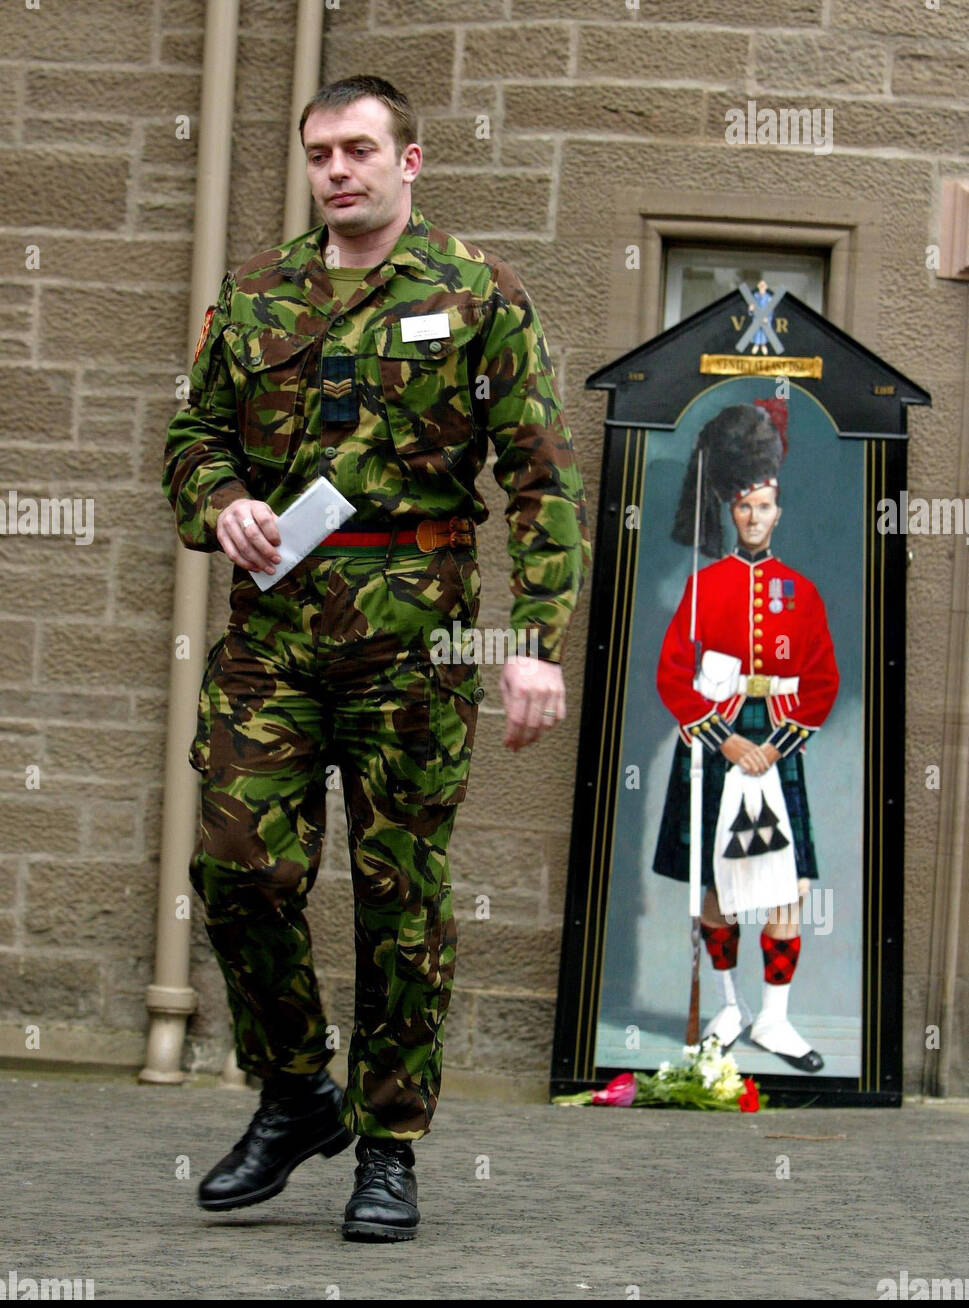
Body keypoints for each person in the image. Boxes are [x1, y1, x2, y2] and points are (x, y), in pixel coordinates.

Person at [162, 74, 590, 1240]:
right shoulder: (254, 295)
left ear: (410, 161)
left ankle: (389, 1145)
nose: (336, 170)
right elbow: (191, 438)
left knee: (402, 896)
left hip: (418, 645)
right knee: (239, 869)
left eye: (358, 149)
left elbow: (543, 478)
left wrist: (534, 642)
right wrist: (225, 499)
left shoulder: (476, 292)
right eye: (319, 153)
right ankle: (298, 1089)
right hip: (276, 640)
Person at [652, 402, 838, 1072]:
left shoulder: (803, 592)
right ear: (730, 512)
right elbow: (673, 674)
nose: (754, 518)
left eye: (764, 507)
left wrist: (773, 747)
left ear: (777, 512)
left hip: (777, 740)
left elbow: (821, 680)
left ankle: (775, 1022)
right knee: (716, 882)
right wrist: (726, 741)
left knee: (787, 885)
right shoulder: (703, 589)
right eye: (743, 508)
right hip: (715, 741)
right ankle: (728, 1007)